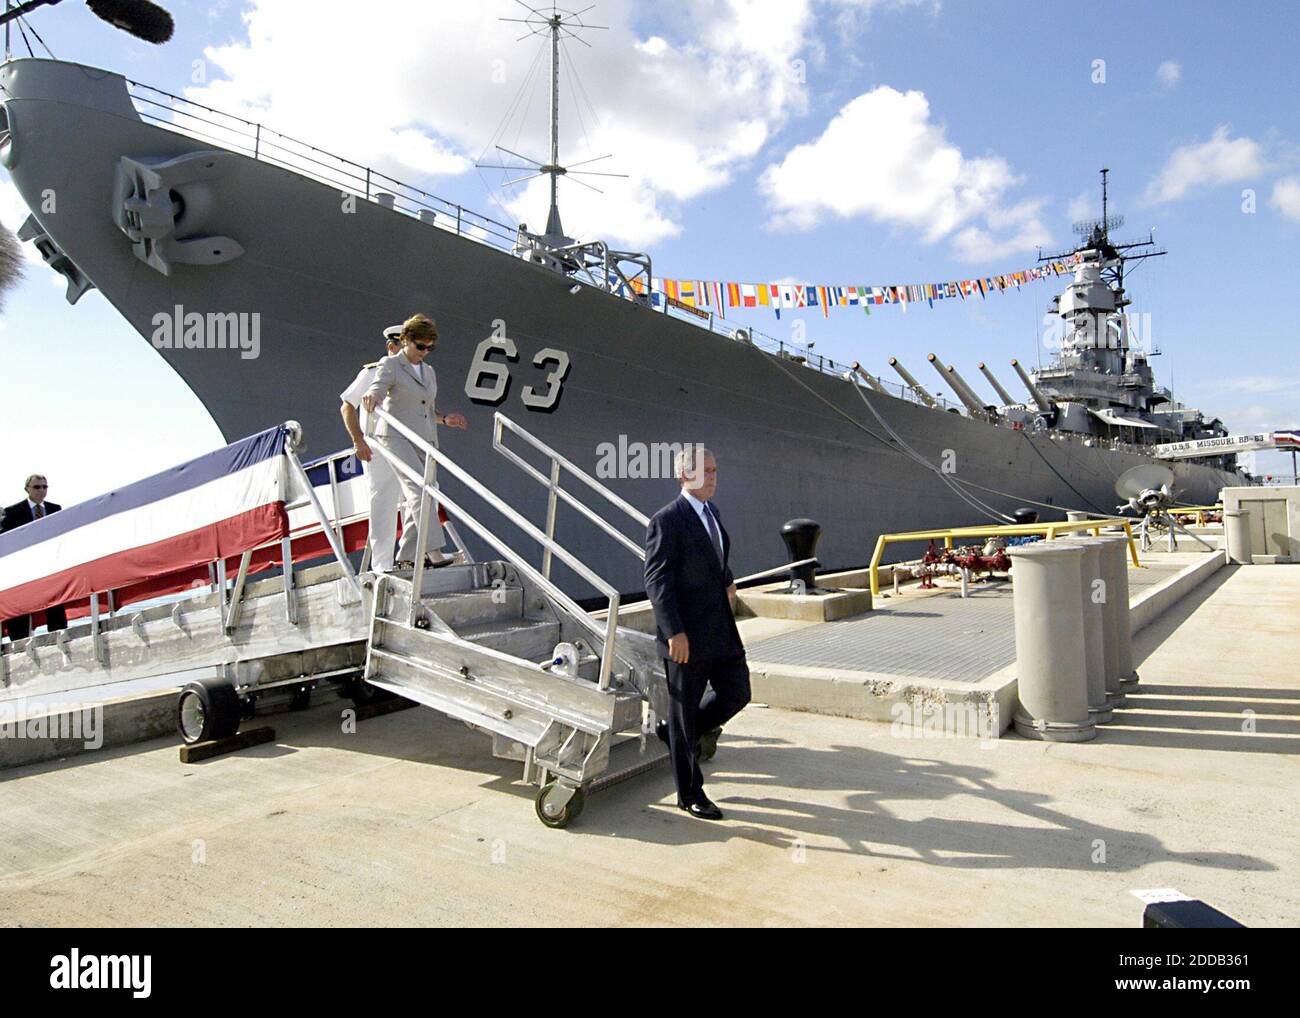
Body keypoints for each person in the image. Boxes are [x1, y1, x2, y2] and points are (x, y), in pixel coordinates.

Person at [643, 446, 750, 820]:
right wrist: (674, 632)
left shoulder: (713, 513)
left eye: (716, 469)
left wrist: (728, 582)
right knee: (684, 710)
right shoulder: (667, 520)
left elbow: (715, 558)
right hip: (686, 637)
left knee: (737, 693)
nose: (714, 476)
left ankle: (675, 732)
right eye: (706, 470)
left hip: (720, 629)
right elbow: (657, 581)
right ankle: (690, 794)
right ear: (685, 476)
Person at [362, 313, 466, 569]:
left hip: (424, 439)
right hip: (395, 437)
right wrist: (371, 397)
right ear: (405, 340)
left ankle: (407, 555)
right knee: (419, 490)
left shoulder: (429, 371)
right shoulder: (390, 364)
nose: (425, 352)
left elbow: (426, 409)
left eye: (430, 347)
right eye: (420, 346)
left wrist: (445, 419)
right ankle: (433, 551)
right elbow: (378, 387)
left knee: (425, 492)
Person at [339, 324, 415, 572]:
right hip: (378, 447)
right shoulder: (372, 374)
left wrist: (444, 419)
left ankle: (410, 556)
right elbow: (347, 405)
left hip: (404, 445)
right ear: (392, 346)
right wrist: (357, 440)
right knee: (383, 501)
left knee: (418, 497)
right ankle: (382, 564)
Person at [2, 474, 68, 642]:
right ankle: (20, 643)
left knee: (55, 605)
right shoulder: (12, 512)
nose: (41, 490)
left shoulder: (55, 509)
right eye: (37, 487)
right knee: (21, 608)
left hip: (50, 566)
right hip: (23, 569)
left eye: (44, 487)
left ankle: (59, 640)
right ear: (27, 489)